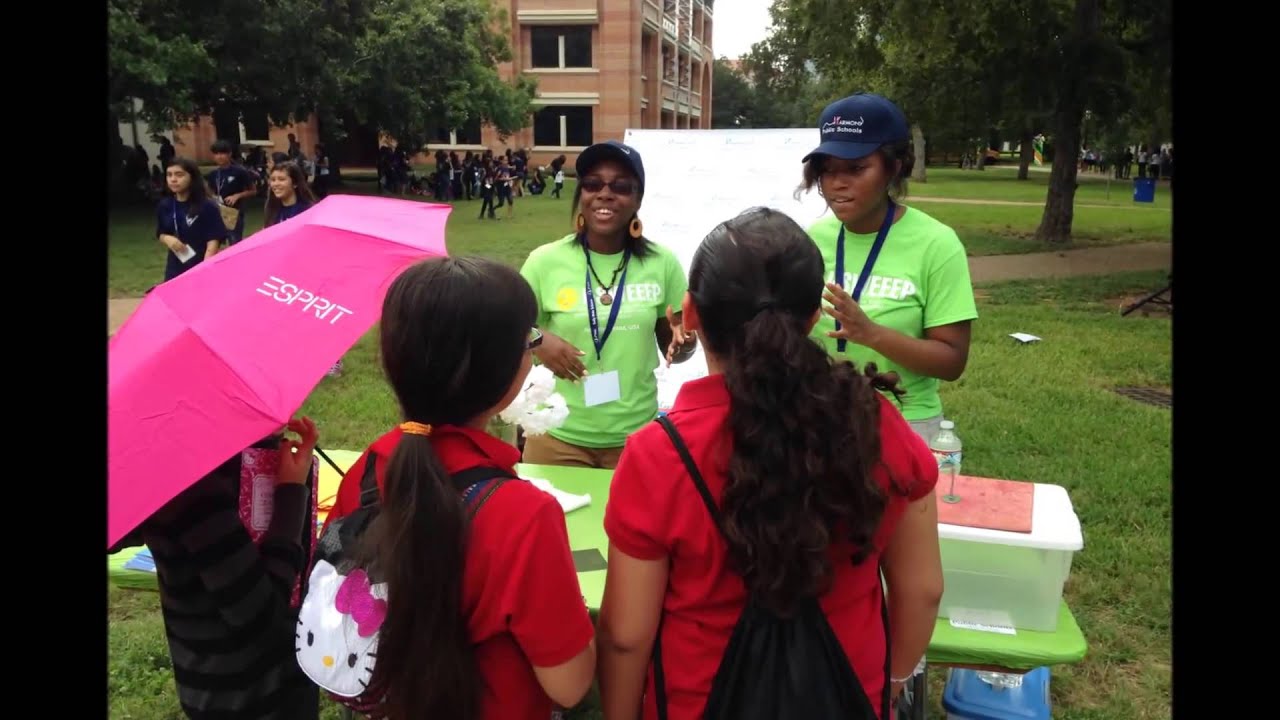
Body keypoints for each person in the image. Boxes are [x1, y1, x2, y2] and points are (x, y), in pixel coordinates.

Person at [597, 207, 944, 720]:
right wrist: (891, 683)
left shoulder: (659, 452)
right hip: (847, 689)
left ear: (689, 313)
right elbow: (922, 588)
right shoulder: (880, 426)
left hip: (699, 699)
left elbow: (626, 636)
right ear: (812, 317)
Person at [322, 257, 597, 719]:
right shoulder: (524, 514)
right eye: (528, 341)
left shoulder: (370, 467)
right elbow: (569, 684)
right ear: (504, 370)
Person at [109, 418, 322, 719]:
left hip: (242, 684)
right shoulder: (194, 486)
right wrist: (290, 493)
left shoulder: (219, 460)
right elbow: (262, 620)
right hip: (249, 698)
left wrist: (272, 450)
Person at [798, 93, 979, 442]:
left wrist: (871, 333)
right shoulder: (812, 239)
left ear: (894, 167)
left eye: (855, 168)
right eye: (827, 169)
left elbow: (952, 361)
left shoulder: (937, 245)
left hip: (906, 426)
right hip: (820, 419)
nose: (837, 183)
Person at [519, 140, 697, 470]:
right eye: (592, 184)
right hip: (555, 435)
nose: (605, 193)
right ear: (581, 194)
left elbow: (675, 342)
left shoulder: (662, 263)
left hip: (635, 438)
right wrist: (539, 340)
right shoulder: (544, 262)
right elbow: (509, 327)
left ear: (638, 199)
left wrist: (683, 341)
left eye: (620, 186)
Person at [157, 157, 227, 283]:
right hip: (175, 267)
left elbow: (213, 241)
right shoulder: (165, 205)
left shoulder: (207, 206)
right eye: (169, 175)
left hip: (201, 266)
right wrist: (168, 239)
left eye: (179, 175)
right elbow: (161, 232)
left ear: (192, 177)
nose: (173, 179)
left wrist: (204, 269)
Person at [207, 139, 259, 245]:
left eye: (222, 153)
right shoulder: (214, 174)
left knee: (234, 241)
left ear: (229, 154)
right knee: (214, 242)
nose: (219, 157)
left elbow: (253, 191)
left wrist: (237, 195)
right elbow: (210, 191)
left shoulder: (240, 171)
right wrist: (213, 197)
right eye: (216, 154)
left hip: (234, 212)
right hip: (219, 211)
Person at [263, 161, 318, 227]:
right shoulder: (272, 209)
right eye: (273, 180)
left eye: (281, 179)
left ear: (295, 183)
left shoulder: (307, 210)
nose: (276, 184)